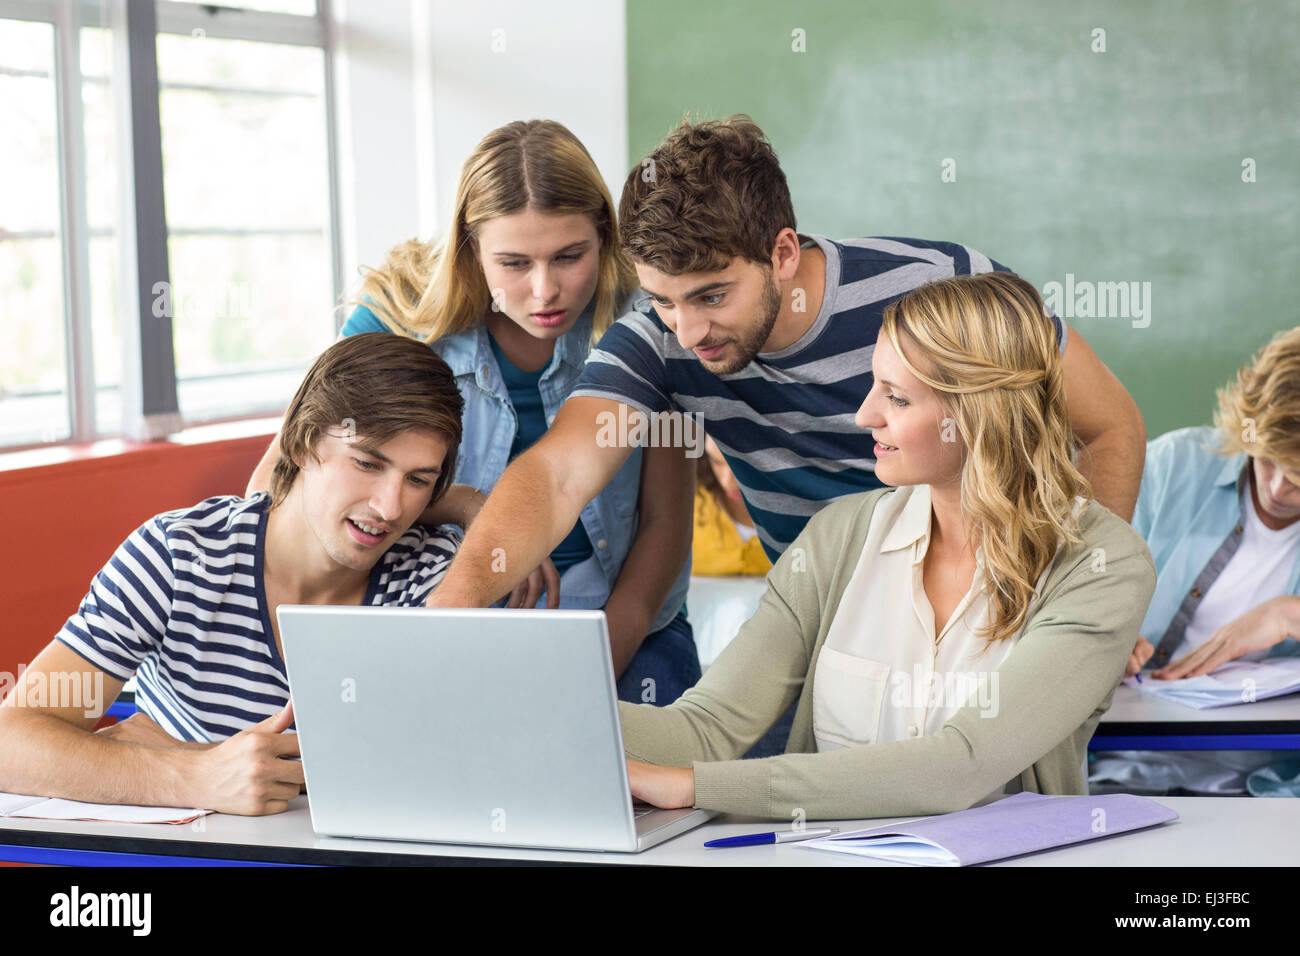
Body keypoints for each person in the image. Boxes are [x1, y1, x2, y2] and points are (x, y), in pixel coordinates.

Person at [426, 116, 1146, 649]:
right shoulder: (658, 333)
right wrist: (438, 627)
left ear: (781, 253)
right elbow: (555, 476)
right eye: (664, 299)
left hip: (986, 632)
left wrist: (1087, 619)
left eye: (711, 296)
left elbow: (1109, 426)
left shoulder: (940, 287)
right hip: (823, 638)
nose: (689, 332)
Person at [619, 272, 1155, 819]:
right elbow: (703, 728)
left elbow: (958, 767)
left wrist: (696, 788)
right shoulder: (834, 540)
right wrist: (553, 709)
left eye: (897, 398)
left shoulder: (1102, 566)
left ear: (978, 412)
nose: (865, 415)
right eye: (874, 386)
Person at [247, 120, 698, 706]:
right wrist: (462, 506)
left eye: (569, 256)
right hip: (433, 608)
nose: (545, 292)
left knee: (642, 784)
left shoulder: (657, 318)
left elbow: (666, 522)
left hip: (621, 615)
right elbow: (278, 488)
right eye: (513, 263)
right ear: (471, 251)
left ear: (605, 239)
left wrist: (595, 668)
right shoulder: (396, 314)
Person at [0, 334, 464, 815]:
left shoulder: (436, 579)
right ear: (302, 445)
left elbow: (444, 769)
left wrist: (178, 750)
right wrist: (195, 777)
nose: (389, 507)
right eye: (367, 463)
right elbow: (10, 744)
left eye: (418, 480)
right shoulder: (179, 556)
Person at [1092, 327, 1300, 796]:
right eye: (1269, 459)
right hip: (1123, 766)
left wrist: (1289, 613)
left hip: (1270, 787)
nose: (1278, 488)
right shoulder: (1172, 467)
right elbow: (1070, 581)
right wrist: (1102, 633)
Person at [693, 435, 771, 577]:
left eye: (741, 466)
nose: (727, 482)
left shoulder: (808, 509)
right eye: (717, 462)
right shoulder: (688, 501)